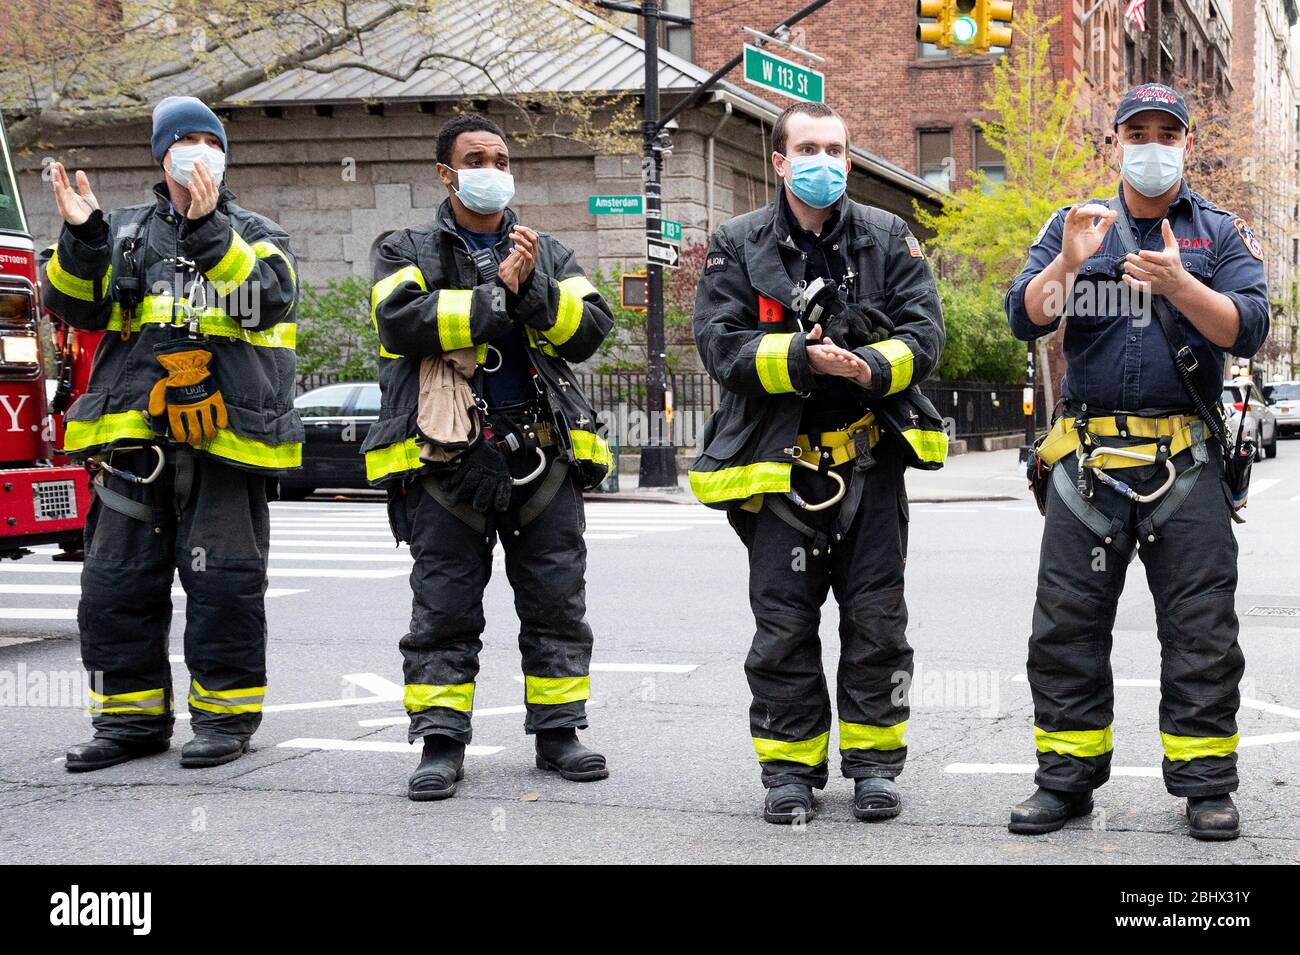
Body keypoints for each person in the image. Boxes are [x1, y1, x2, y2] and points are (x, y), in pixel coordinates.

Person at [1005, 84, 1270, 840]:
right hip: (1085, 464)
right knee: (1065, 627)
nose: (1152, 144)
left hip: (1184, 462)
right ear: (1114, 142)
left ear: (1187, 145)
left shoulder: (1219, 234)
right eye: (1137, 131)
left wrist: (1180, 284)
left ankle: (1207, 785)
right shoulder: (1076, 224)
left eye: (1167, 132)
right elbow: (1024, 314)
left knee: (1201, 631)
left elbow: (1247, 328)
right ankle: (1065, 780)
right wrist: (1067, 261)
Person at [690, 101, 947, 824]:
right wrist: (802, 358)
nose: (826, 162)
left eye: (836, 149)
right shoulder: (737, 244)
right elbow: (720, 344)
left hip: (868, 467)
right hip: (782, 476)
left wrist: (866, 366)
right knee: (783, 628)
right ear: (779, 160)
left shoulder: (888, 236)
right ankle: (789, 770)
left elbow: (927, 333)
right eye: (809, 148)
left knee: (879, 624)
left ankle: (874, 767)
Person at [40, 96, 301, 771]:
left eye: (206, 138)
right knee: (113, 586)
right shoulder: (122, 231)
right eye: (181, 139)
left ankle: (225, 718)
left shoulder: (257, 231)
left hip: (224, 446)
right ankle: (127, 723)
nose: (196, 149)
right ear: (161, 154)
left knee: (224, 586)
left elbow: (270, 296)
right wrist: (83, 237)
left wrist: (209, 228)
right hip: (132, 450)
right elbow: (73, 304)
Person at [365, 113, 616, 801]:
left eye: (502, 158)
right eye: (476, 157)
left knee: (557, 601)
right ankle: (442, 741)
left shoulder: (550, 252)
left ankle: (559, 732)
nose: (493, 169)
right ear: (446, 173)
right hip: (447, 461)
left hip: (542, 457)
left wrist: (532, 286)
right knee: (442, 606)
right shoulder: (403, 248)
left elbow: (591, 329)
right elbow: (401, 322)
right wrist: (495, 293)